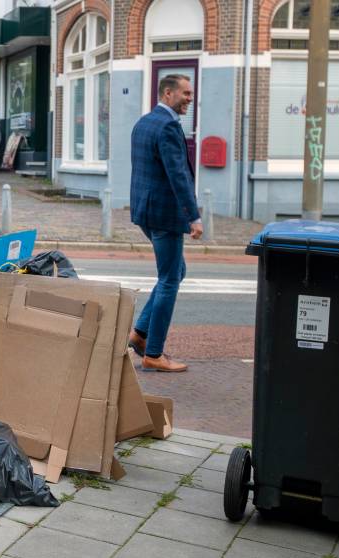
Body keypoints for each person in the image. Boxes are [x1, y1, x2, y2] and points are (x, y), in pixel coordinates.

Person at [127, 74, 202, 373]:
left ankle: (140, 334)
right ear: (168, 93)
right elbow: (178, 175)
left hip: (145, 211)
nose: (190, 98)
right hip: (165, 214)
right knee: (170, 278)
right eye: (185, 93)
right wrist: (192, 215)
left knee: (176, 270)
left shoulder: (144, 122)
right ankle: (154, 353)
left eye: (191, 93)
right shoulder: (169, 126)